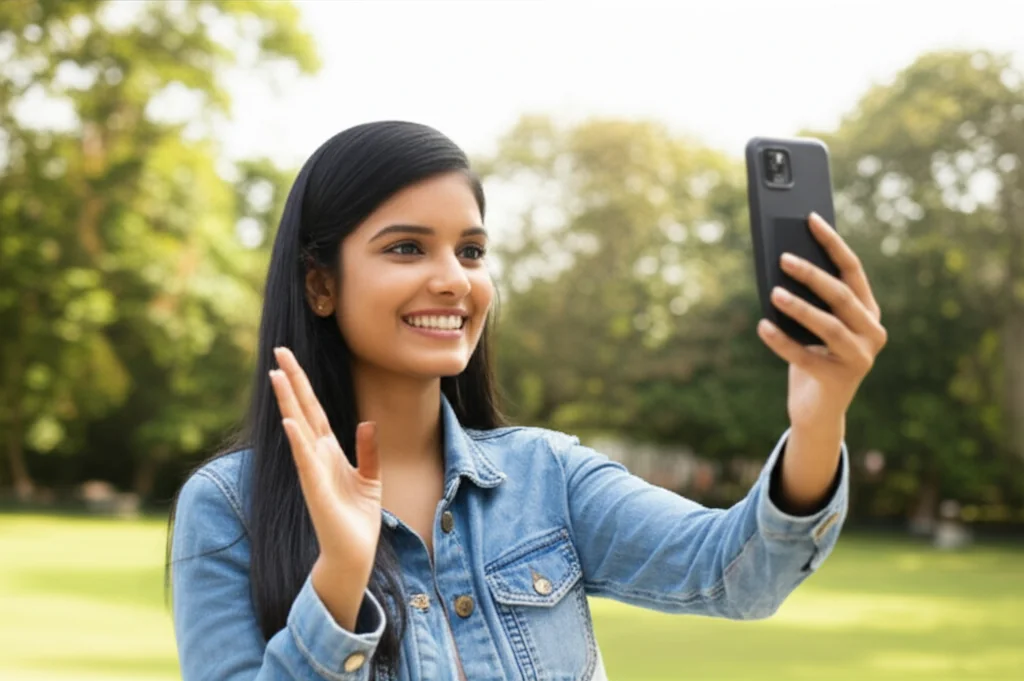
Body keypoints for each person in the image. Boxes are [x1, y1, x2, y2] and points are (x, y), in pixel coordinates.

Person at [167, 121, 887, 681]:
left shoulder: (548, 474)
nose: (454, 279)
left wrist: (818, 416)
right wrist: (339, 580)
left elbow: (737, 574)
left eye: (471, 251)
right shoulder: (228, 507)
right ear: (320, 284)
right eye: (408, 249)